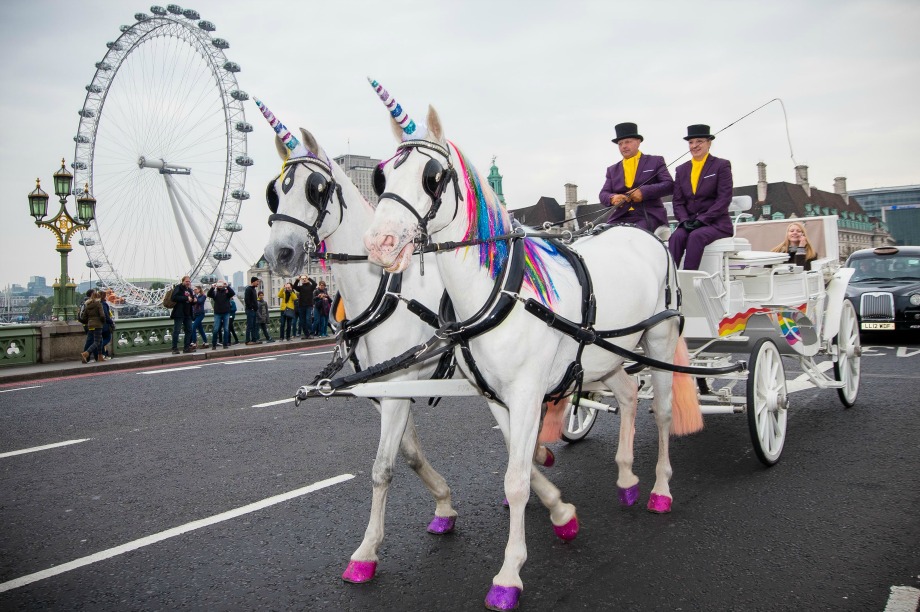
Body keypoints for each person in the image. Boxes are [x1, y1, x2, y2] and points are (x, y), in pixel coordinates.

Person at [668, 124, 735, 270]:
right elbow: (678, 202)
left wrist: (703, 220)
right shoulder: (681, 170)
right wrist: (684, 220)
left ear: (709, 143)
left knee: (696, 236)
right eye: (691, 142)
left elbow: (724, 199)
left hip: (716, 224)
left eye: (699, 141)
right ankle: (669, 280)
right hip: (690, 223)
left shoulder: (721, 165)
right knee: (676, 237)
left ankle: (688, 281)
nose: (695, 145)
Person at [598, 122, 674, 233]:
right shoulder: (612, 170)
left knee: (633, 235)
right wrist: (612, 198)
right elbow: (603, 194)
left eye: (628, 142)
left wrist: (644, 192)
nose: (624, 146)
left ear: (638, 142)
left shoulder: (655, 161)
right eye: (620, 144)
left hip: (648, 214)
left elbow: (669, 185)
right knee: (602, 235)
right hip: (621, 215)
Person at [169, 276, 196, 354]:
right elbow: (174, 297)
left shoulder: (190, 290)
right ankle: (174, 348)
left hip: (188, 314)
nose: (188, 283)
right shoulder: (178, 288)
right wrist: (186, 298)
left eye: (189, 281)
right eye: (186, 281)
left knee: (189, 330)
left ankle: (186, 347)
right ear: (183, 281)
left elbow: (191, 301)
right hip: (179, 313)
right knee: (176, 331)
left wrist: (194, 300)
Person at [206, 280, 235, 349]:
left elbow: (233, 293)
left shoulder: (227, 292)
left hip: (226, 313)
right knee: (215, 329)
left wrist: (227, 286)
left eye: (221, 283)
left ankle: (225, 344)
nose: (220, 284)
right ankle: (214, 344)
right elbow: (208, 294)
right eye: (219, 283)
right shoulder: (215, 293)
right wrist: (212, 287)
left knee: (226, 329)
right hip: (217, 313)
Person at [80, 291, 105, 363]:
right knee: (97, 341)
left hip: (90, 325)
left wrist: (89, 322)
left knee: (99, 340)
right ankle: (86, 353)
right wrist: (102, 322)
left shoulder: (88, 305)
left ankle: (100, 357)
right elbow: (102, 315)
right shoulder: (98, 304)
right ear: (98, 298)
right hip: (97, 325)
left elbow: (84, 317)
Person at [293, 274, 317, 339]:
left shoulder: (311, 287)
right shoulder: (300, 288)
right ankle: (306, 334)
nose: (304, 279)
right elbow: (294, 287)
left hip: (309, 305)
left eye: (305, 279)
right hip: (301, 306)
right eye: (303, 279)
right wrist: (298, 279)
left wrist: (308, 278)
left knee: (308, 319)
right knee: (302, 321)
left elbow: (315, 284)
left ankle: (311, 333)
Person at [244, 276, 262, 345]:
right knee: (250, 325)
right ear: (253, 282)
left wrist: (255, 308)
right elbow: (247, 300)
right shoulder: (248, 289)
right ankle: (247, 340)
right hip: (250, 310)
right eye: (257, 282)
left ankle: (254, 340)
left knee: (254, 325)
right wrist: (251, 307)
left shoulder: (254, 289)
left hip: (254, 310)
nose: (258, 283)